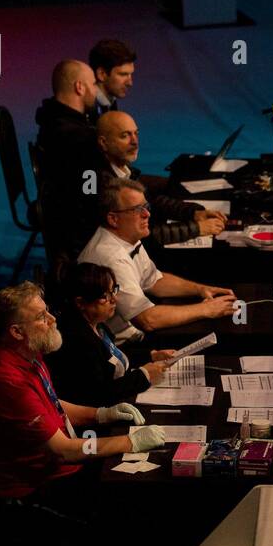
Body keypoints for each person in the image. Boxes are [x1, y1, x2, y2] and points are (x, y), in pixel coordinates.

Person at [0, 281, 165, 546]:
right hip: (33, 489)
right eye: (41, 317)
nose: (52, 319)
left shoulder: (26, 351)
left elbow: (53, 404)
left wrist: (101, 414)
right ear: (16, 331)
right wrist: (129, 441)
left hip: (59, 464)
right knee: (136, 505)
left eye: (47, 311)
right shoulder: (8, 381)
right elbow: (64, 450)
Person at [76, 179, 238, 341]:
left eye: (146, 207)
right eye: (137, 210)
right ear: (113, 219)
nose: (147, 214)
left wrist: (200, 289)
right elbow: (147, 320)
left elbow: (154, 280)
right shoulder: (110, 257)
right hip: (123, 346)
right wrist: (206, 309)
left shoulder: (126, 235)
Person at [45, 262, 178, 408]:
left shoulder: (95, 323)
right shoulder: (76, 340)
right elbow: (99, 394)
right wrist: (144, 375)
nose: (114, 299)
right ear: (80, 302)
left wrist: (151, 356)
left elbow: (113, 356)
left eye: (113, 290)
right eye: (104, 296)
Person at [95, 111, 226, 244]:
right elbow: (144, 235)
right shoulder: (104, 185)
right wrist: (197, 228)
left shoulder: (125, 170)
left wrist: (194, 213)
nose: (135, 141)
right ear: (104, 142)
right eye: (125, 136)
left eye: (136, 133)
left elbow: (153, 201)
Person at [34, 59, 101, 260]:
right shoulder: (79, 138)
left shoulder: (52, 120)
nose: (96, 91)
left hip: (65, 216)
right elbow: (90, 190)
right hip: (78, 229)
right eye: (94, 85)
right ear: (79, 87)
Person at [88, 39, 136, 122]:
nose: (130, 83)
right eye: (123, 74)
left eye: (130, 74)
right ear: (102, 74)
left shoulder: (110, 103)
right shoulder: (86, 111)